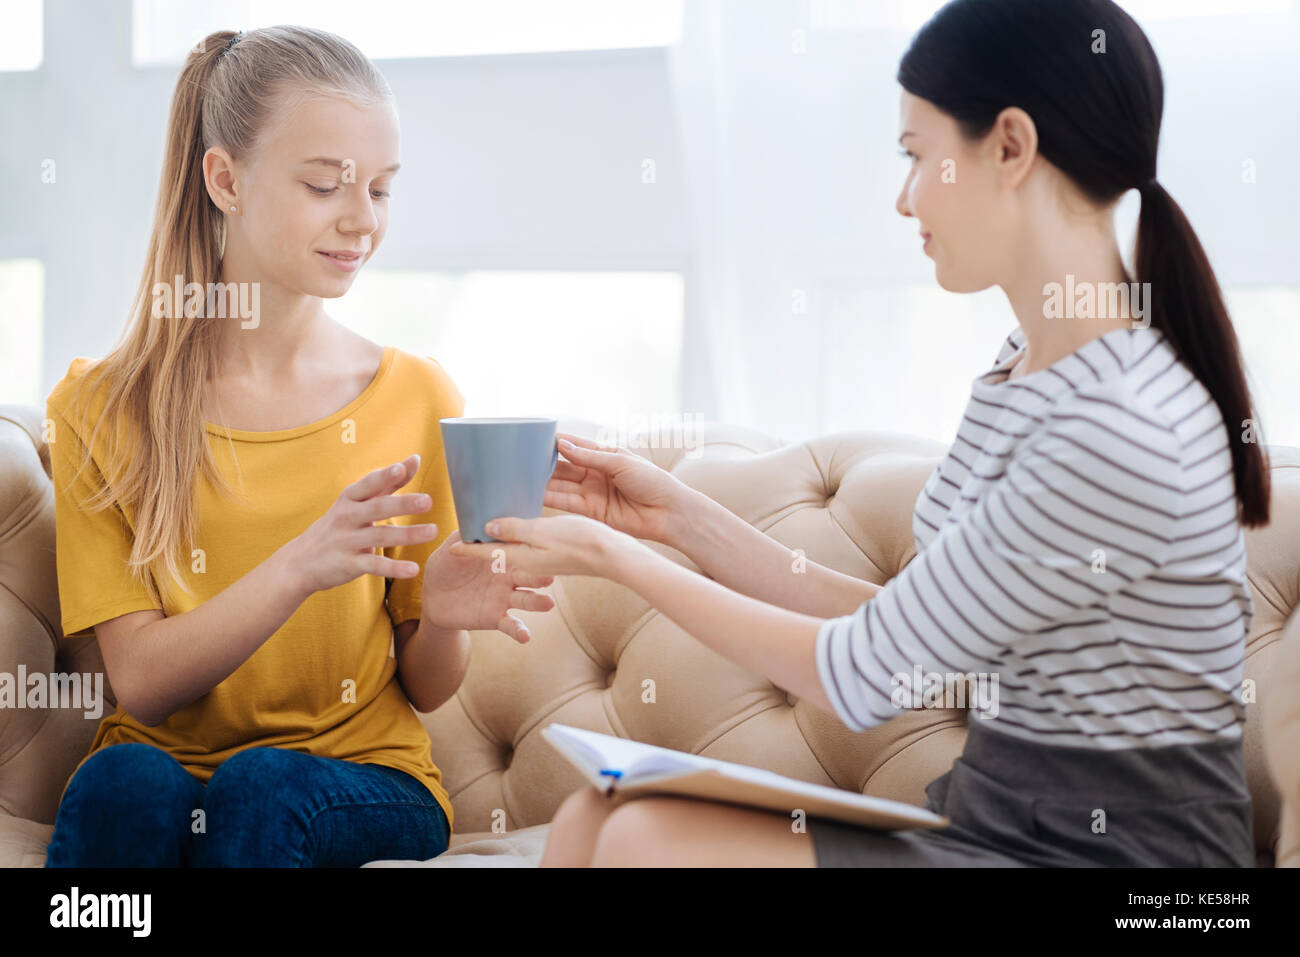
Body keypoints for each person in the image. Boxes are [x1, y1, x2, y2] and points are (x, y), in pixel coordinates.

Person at [452, 0, 1271, 867]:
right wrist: (671, 518)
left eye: (918, 157)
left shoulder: (1116, 424)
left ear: (1010, 147)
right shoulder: (1023, 369)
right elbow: (902, 632)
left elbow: (863, 675)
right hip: (997, 827)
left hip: (1136, 873)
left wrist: (612, 558)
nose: (903, 197)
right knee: (593, 821)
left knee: (642, 838)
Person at [43, 26, 554, 867]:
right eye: (326, 186)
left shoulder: (417, 398)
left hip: (364, 776)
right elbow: (139, 682)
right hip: (164, 763)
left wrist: (447, 623)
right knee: (118, 782)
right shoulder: (102, 408)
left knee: (261, 788)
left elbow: (427, 686)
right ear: (225, 179)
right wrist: (299, 565)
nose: (362, 220)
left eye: (382, 191)